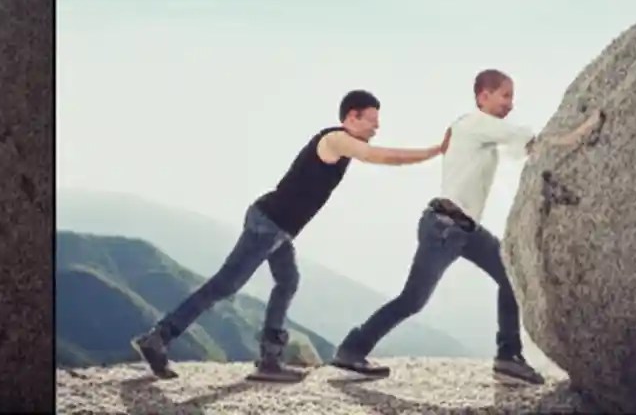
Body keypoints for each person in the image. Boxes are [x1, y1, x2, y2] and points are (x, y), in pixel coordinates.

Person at [131, 90, 451, 382]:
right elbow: (380, 157)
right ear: (352, 117)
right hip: (268, 224)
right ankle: (158, 338)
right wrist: (434, 151)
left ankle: (269, 359)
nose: (375, 129)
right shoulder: (337, 139)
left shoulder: (341, 145)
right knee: (224, 285)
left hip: (277, 228)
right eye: (372, 122)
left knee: (287, 281)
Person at [330, 69, 605, 385]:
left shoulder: (479, 130)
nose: (510, 104)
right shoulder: (476, 124)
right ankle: (352, 349)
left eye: (512, 97)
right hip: (445, 229)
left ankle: (508, 357)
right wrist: (585, 129)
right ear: (483, 97)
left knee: (509, 275)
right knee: (413, 300)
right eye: (505, 96)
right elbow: (538, 140)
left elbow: (531, 149)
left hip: (464, 229)